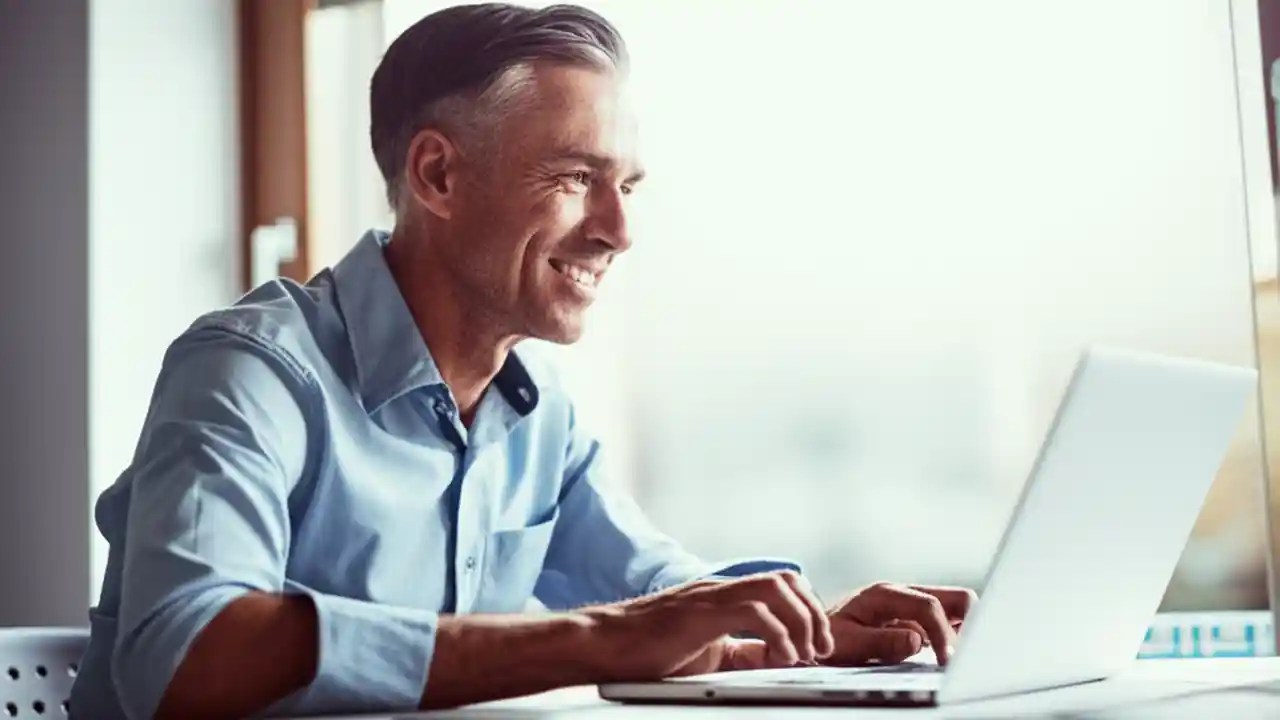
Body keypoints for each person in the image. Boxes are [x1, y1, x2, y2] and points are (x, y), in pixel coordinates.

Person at [70, 4, 976, 719]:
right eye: (576, 177)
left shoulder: (540, 418)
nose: (619, 231)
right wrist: (594, 639)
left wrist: (818, 626)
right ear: (437, 176)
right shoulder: (251, 372)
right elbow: (183, 657)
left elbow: (663, 608)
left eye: (626, 186)